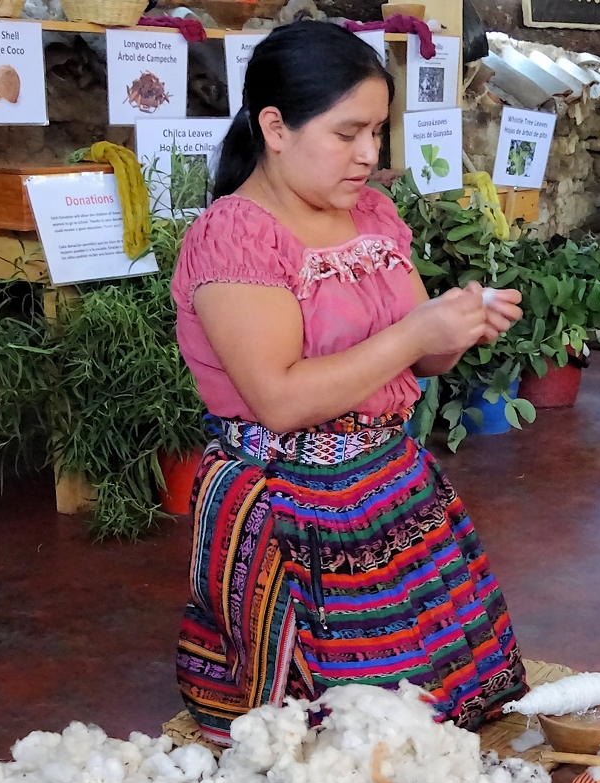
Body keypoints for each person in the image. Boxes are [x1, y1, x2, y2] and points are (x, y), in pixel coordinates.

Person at [172, 21, 527, 744]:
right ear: (274, 126)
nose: (369, 155)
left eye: (378, 132)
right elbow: (279, 399)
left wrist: (455, 330)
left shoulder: (370, 214)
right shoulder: (235, 236)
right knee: (348, 739)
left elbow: (419, 362)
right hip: (292, 513)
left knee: (453, 713)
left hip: (391, 490)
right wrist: (413, 334)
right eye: (348, 133)